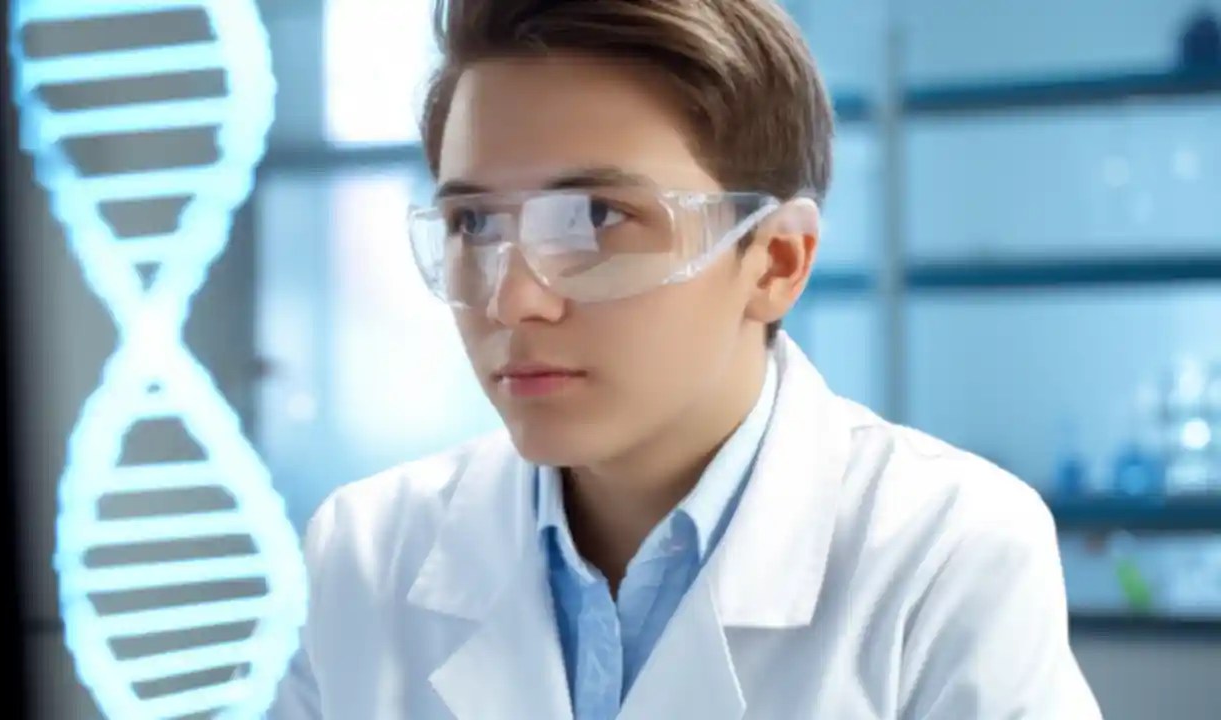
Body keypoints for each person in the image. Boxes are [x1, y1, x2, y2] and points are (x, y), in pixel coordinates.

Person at [269, 0, 1103, 718]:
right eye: (474, 225)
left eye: (594, 217)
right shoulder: (368, 552)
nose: (513, 297)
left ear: (777, 261)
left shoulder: (945, 552)